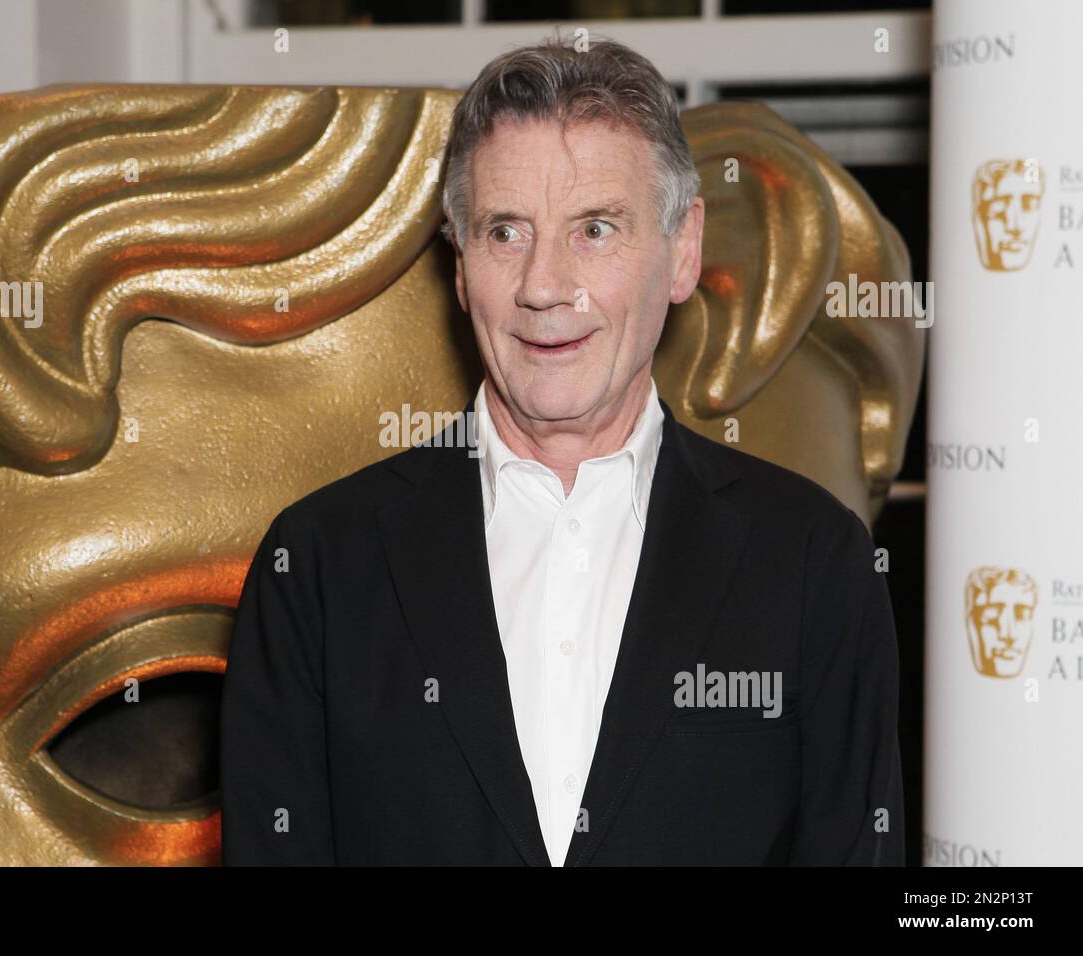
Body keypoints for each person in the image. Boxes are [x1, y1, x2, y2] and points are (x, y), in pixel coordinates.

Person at [220, 34, 904, 866]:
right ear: (461, 263)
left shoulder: (813, 564)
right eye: (506, 231)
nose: (545, 285)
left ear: (683, 249)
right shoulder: (318, 569)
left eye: (596, 229)